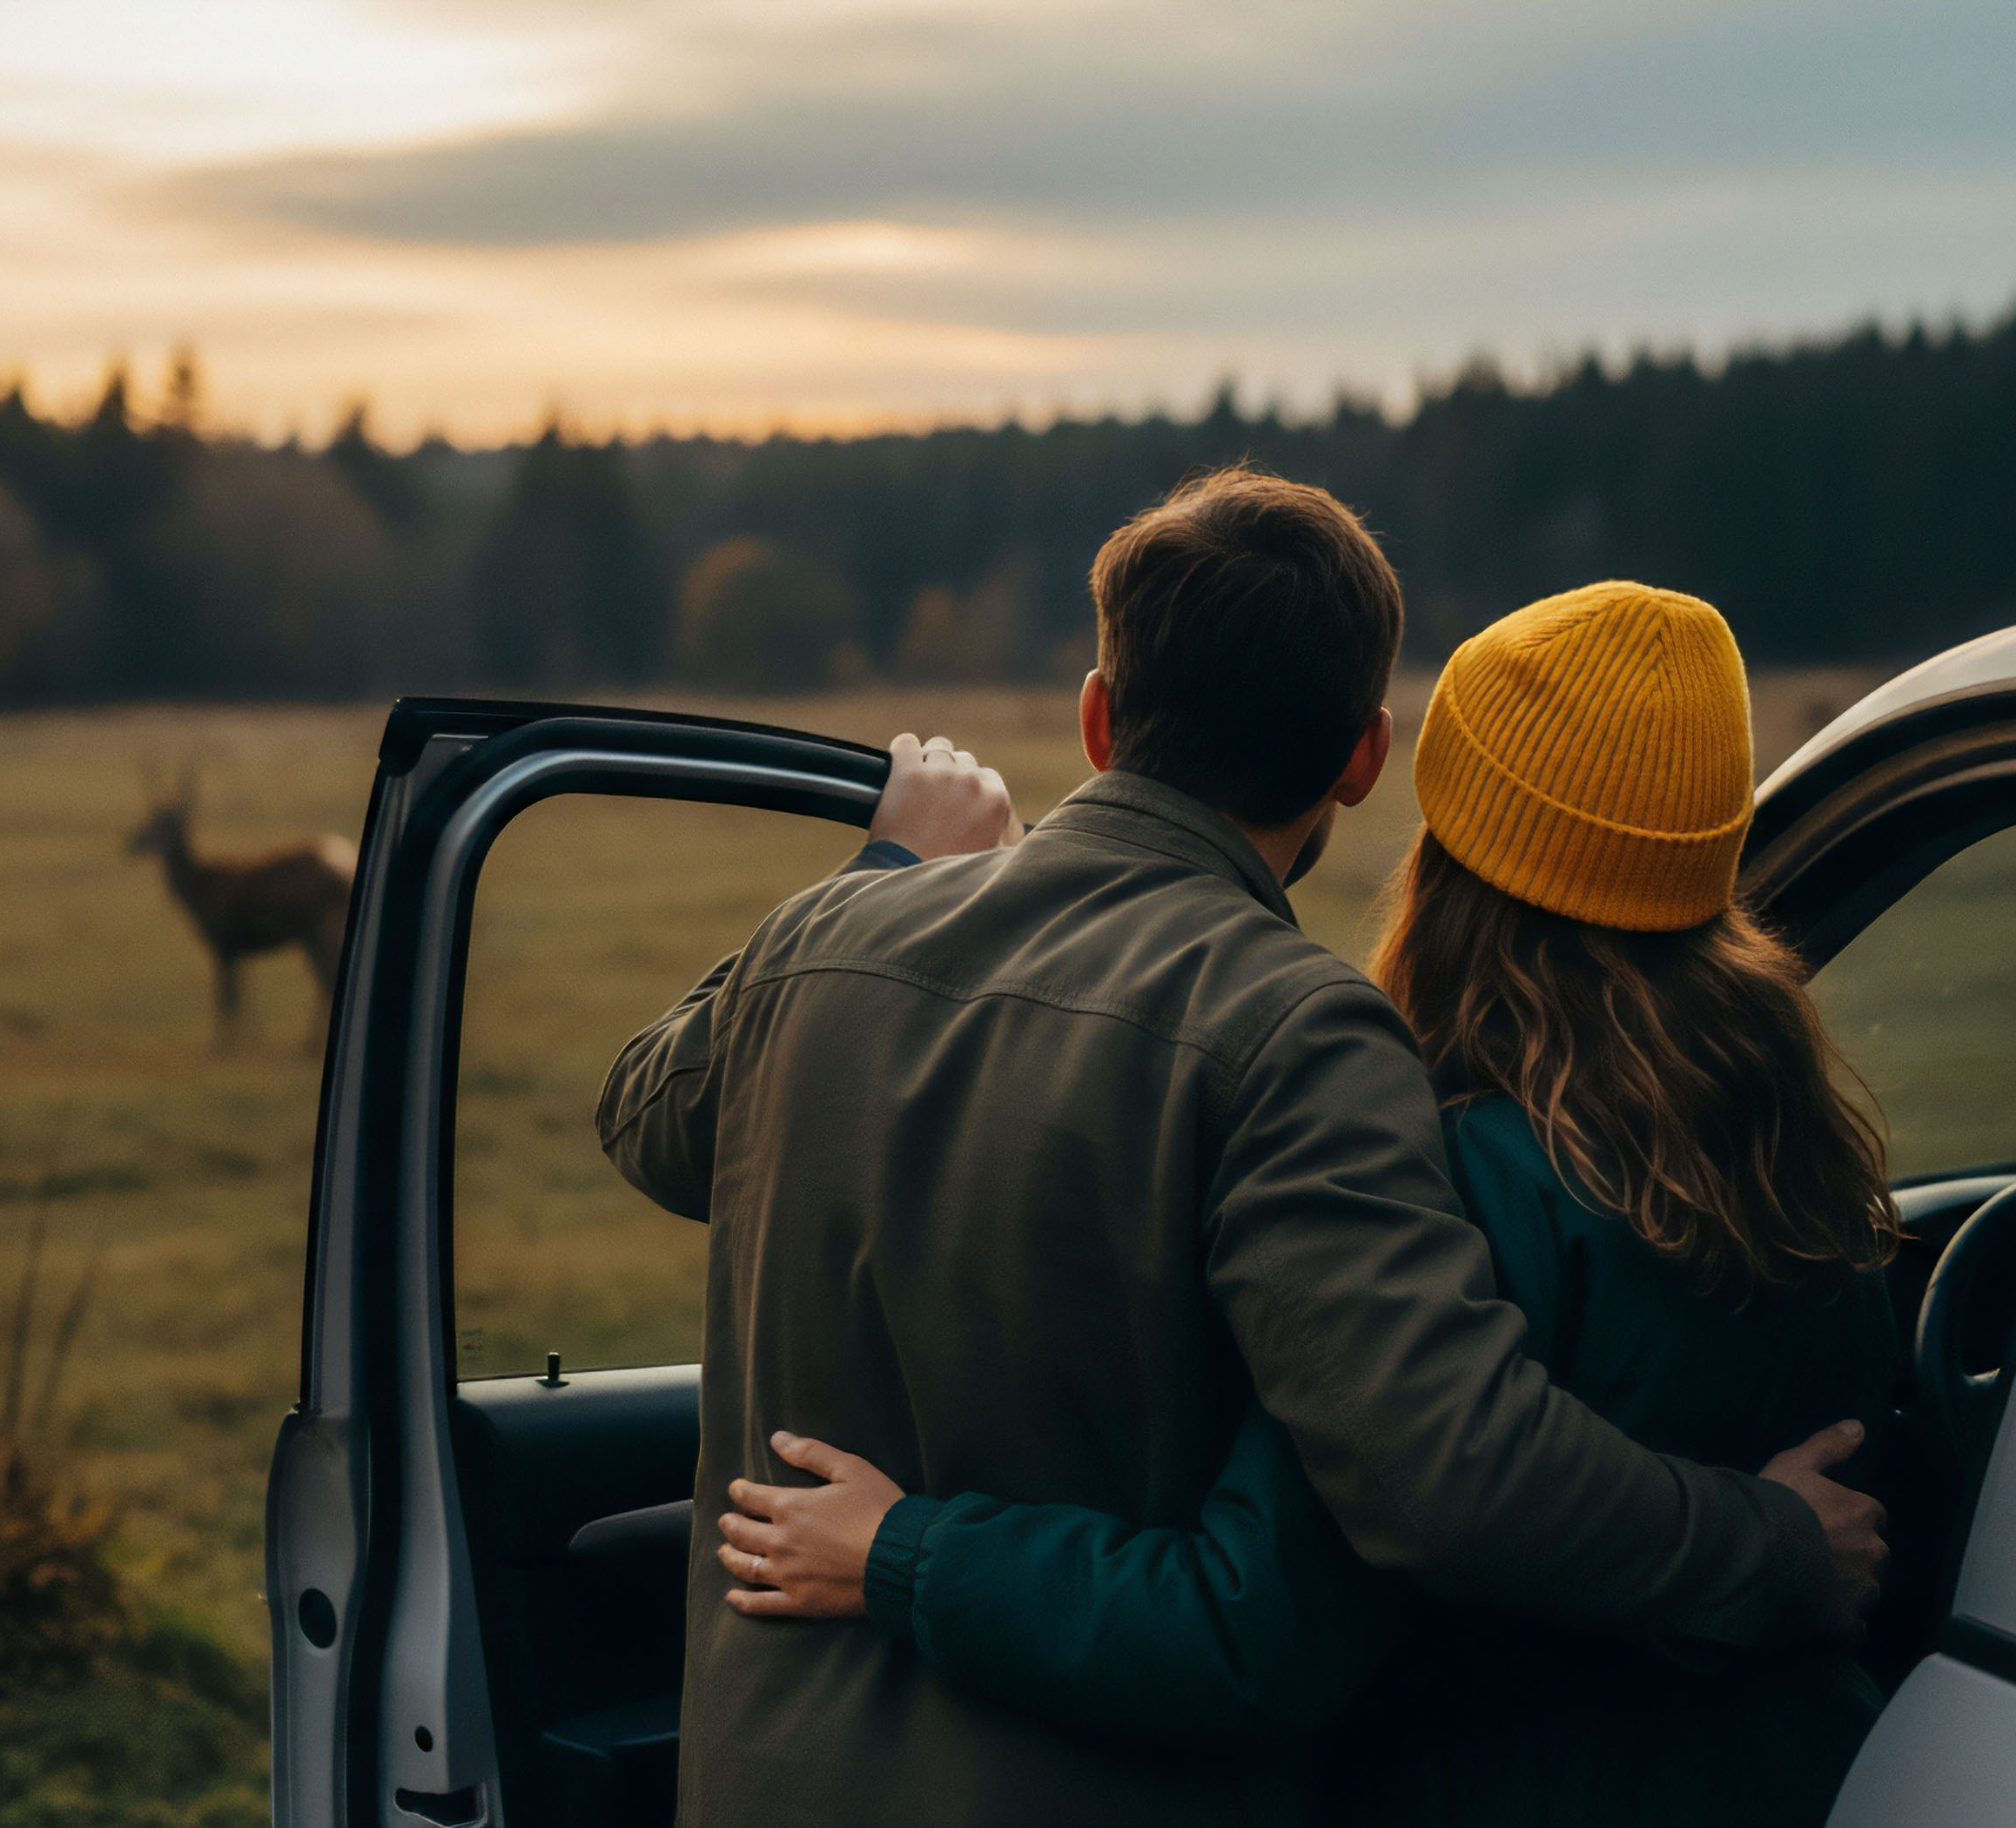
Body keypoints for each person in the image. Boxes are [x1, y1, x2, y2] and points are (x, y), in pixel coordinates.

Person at [596, 471, 1885, 1828]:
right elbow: (1418, 1491)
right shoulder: (1300, 1029)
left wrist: (885, 874)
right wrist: (1770, 1546)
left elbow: (647, 1117)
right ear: (1360, 757)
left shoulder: (820, 944)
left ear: (1098, 718)